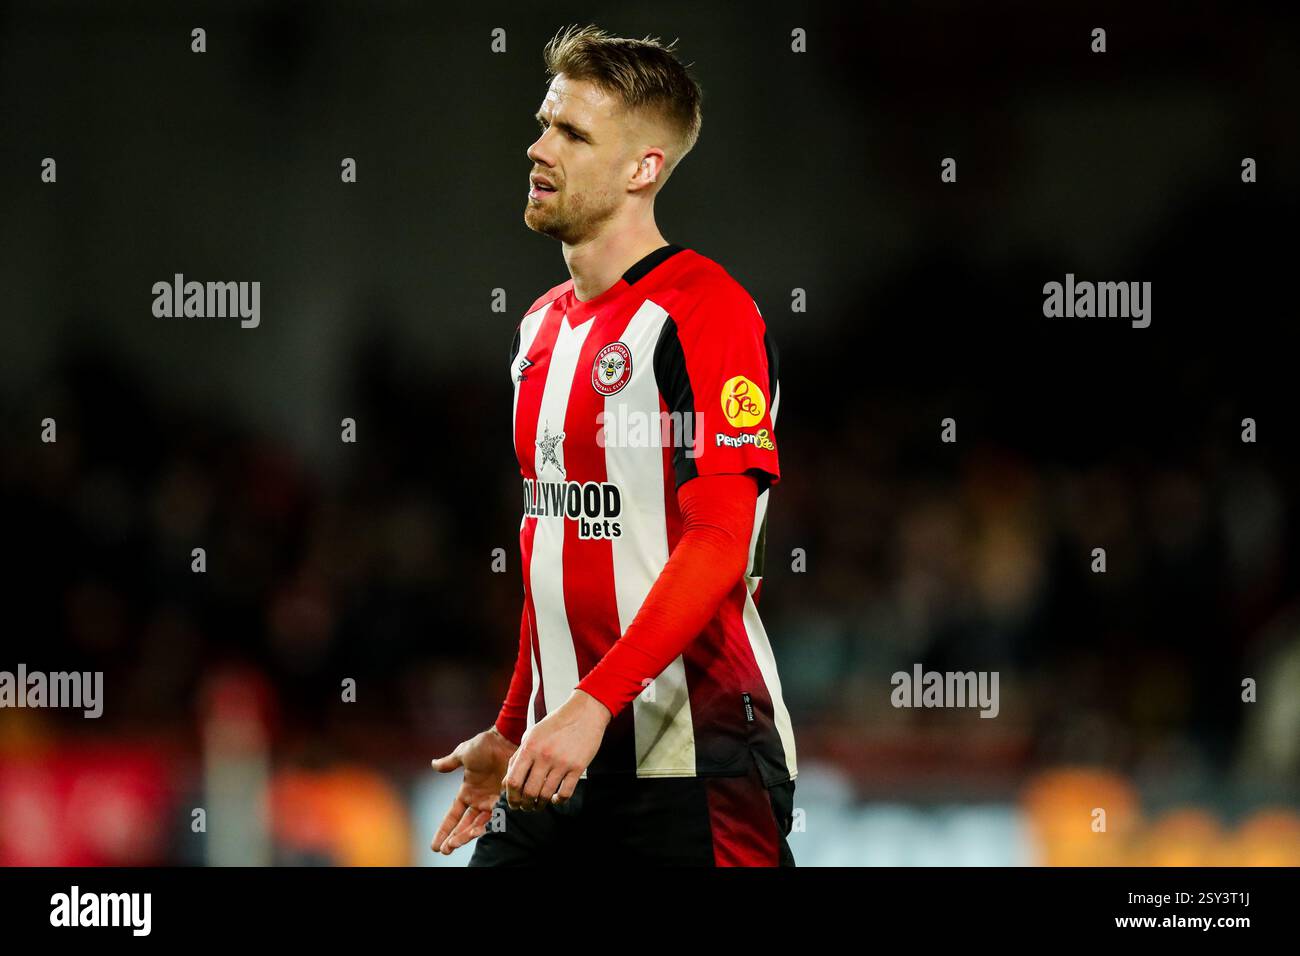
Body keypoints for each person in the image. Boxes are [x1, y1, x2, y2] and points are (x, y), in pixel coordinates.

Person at [432, 23, 797, 866]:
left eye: (572, 133)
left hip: (695, 757)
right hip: (557, 759)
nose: (538, 147)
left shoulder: (706, 313)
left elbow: (718, 543)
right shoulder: (538, 330)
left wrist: (591, 706)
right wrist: (515, 720)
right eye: (543, 123)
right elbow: (551, 549)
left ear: (644, 169)